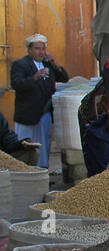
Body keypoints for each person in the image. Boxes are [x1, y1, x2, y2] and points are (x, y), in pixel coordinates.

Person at [11, 33, 69, 168]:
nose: (41, 52)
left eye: (43, 48)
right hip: (27, 114)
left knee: (44, 145)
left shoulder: (48, 64)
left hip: (44, 113)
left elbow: (64, 78)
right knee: (26, 145)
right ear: (29, 50)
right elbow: (17, 84)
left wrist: (56, 65)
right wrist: (35, 78)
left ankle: (42, 172)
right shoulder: (21, 65)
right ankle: (24, 172)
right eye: (37, 48)